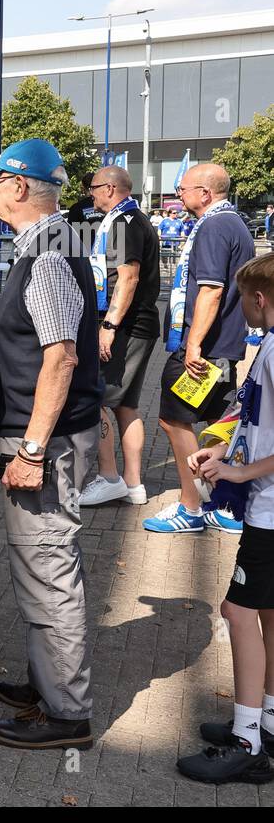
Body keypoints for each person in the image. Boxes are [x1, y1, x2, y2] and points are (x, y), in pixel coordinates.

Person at [0, 139, 102, 751]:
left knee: (48, 565)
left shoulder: (48, 255)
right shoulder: (51, 246)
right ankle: (48, 682)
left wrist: (29, 450)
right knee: (40, 562)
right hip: (49, 430)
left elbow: (61, 357)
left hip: (44, 437)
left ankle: (66, 710)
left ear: (19, 187)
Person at [177, 251, 274, 784]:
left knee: (237, 612)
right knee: (267, 612)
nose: (243, 310)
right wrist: (224, 453)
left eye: (244, 300)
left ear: (259, 298)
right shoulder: (270, 346)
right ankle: (267, 720)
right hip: (266, 503)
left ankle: (246, 740)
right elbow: (257, 418)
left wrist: (241, 473)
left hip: (269, 510)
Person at [144, 164, 255, 536]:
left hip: (204, 349)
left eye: (183, 188)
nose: (178, 194)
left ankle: (192, 506)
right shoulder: (233, 222)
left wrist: (192, 344)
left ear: (205, 193)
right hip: (223, 347)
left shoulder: (213, 226)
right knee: (221, 423)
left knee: (174, 420)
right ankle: (229, 503)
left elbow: (211, 289)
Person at [76, 166, 160, 508]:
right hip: (134, 325)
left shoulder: (124, 223)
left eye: (94, 188)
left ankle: (110, 478)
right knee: (125, 405)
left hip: (124, 327)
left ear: (110, 188)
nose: (90, 195)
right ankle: (134, 484)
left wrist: (108, 327)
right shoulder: (129, 220)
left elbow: (128, 277)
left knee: (96, 400)